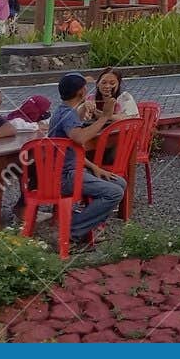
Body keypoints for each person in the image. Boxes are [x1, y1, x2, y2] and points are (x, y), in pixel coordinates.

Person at [46, 73, 127, 243]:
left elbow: (74, 150)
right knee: (113, 192)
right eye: (84, 87)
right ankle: (71, 230)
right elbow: (80, 138)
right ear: (81, 92)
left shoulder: (67, 111)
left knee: (119, 182)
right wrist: (105, 116)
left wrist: (94, 167)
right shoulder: (67, 115)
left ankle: (90, 226)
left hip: (73, 168)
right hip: (66, 176)